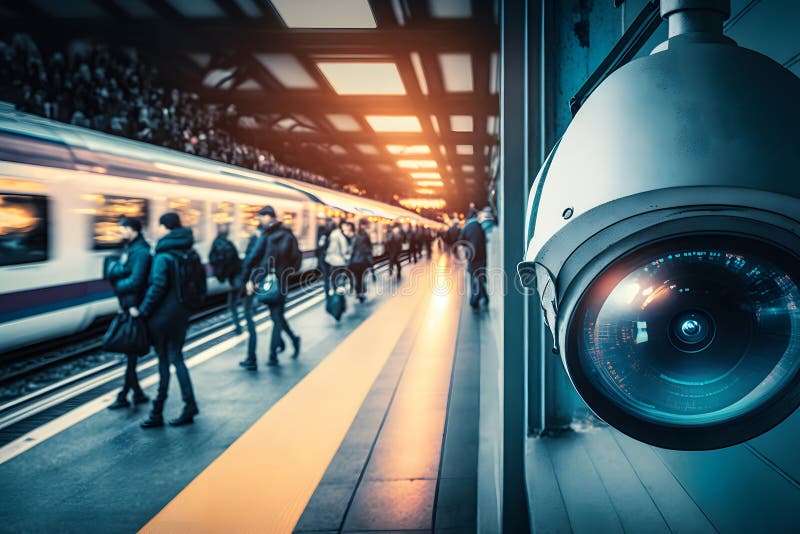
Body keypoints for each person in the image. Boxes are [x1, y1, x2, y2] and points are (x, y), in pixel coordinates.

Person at [131, 213, 199, 427]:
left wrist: (143, 311)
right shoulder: (190, 251)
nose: (157, 230)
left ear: (165, 228)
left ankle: (157, 413)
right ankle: (189, 404)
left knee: (163, 362)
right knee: (177, 359)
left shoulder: (163, 255)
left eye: (159, 226)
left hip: (162, 317)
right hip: (181, 314)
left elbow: (158, 286)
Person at [240, 205, 302, 369]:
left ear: (269, 217)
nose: (260, 220)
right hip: (280, 282)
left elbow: (255, 258)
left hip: (263, 281)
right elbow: (297, 260)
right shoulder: (289, 236)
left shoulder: (267, 236)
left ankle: (254, 357)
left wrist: (250, 279)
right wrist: (285, 274)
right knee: (277, 317)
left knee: (255, 315)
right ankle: (274, 354)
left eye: (261, 217)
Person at [106, 217, 151, 410]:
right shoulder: (133, 248)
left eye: (123, 229)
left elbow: (136, 282)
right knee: (130, 353)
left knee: (131, 351)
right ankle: (135, 394)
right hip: (129, 306)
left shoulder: (140, 251)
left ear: (132, 229)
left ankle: (124, 395)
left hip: (134, 308)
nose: (121, 232)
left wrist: (117, 285)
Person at [209, 225, 243, 334]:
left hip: (225, 278)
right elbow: (236, 261)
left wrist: (221, 275)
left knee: (232, 304)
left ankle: (237, 326)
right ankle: (238, 325)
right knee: (235, 303)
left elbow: (212, 259)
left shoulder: (215, 245)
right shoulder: (230, 245)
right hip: (235, 277)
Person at [459, 208, 489, 311]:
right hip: (482, 257)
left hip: (472, 258)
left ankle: (474, 301)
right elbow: (485, 240)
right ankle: (484, 297)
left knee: (476, 279)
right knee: (480, 278)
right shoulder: (480, 226)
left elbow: (461, 241)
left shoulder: (466, 227)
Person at [325, 220, 354, 294]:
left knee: (334, 276)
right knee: (340, 275)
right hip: (338, 259)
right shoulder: (339, 235)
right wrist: (347, 256)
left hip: (332, 259)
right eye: (345, 226)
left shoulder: (334, 233)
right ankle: (339, 291)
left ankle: (334, 290)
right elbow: (344, 248)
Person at [349, 218, 374, 303]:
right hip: (363, 261)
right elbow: (369, 248)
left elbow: (352, 249)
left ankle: (358, 292)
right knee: (363, 277)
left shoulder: (355, 236)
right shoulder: (366, 236)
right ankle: (362, 292)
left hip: (355, 261)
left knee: (357, 277)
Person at [316, 218, 335, 296]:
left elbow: (320, 245)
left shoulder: (323, 233)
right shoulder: (335, 234)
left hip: (324, 257)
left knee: (326, 276)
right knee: (333, 275)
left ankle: (327, 292)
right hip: (332, 258)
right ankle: (333, 291)